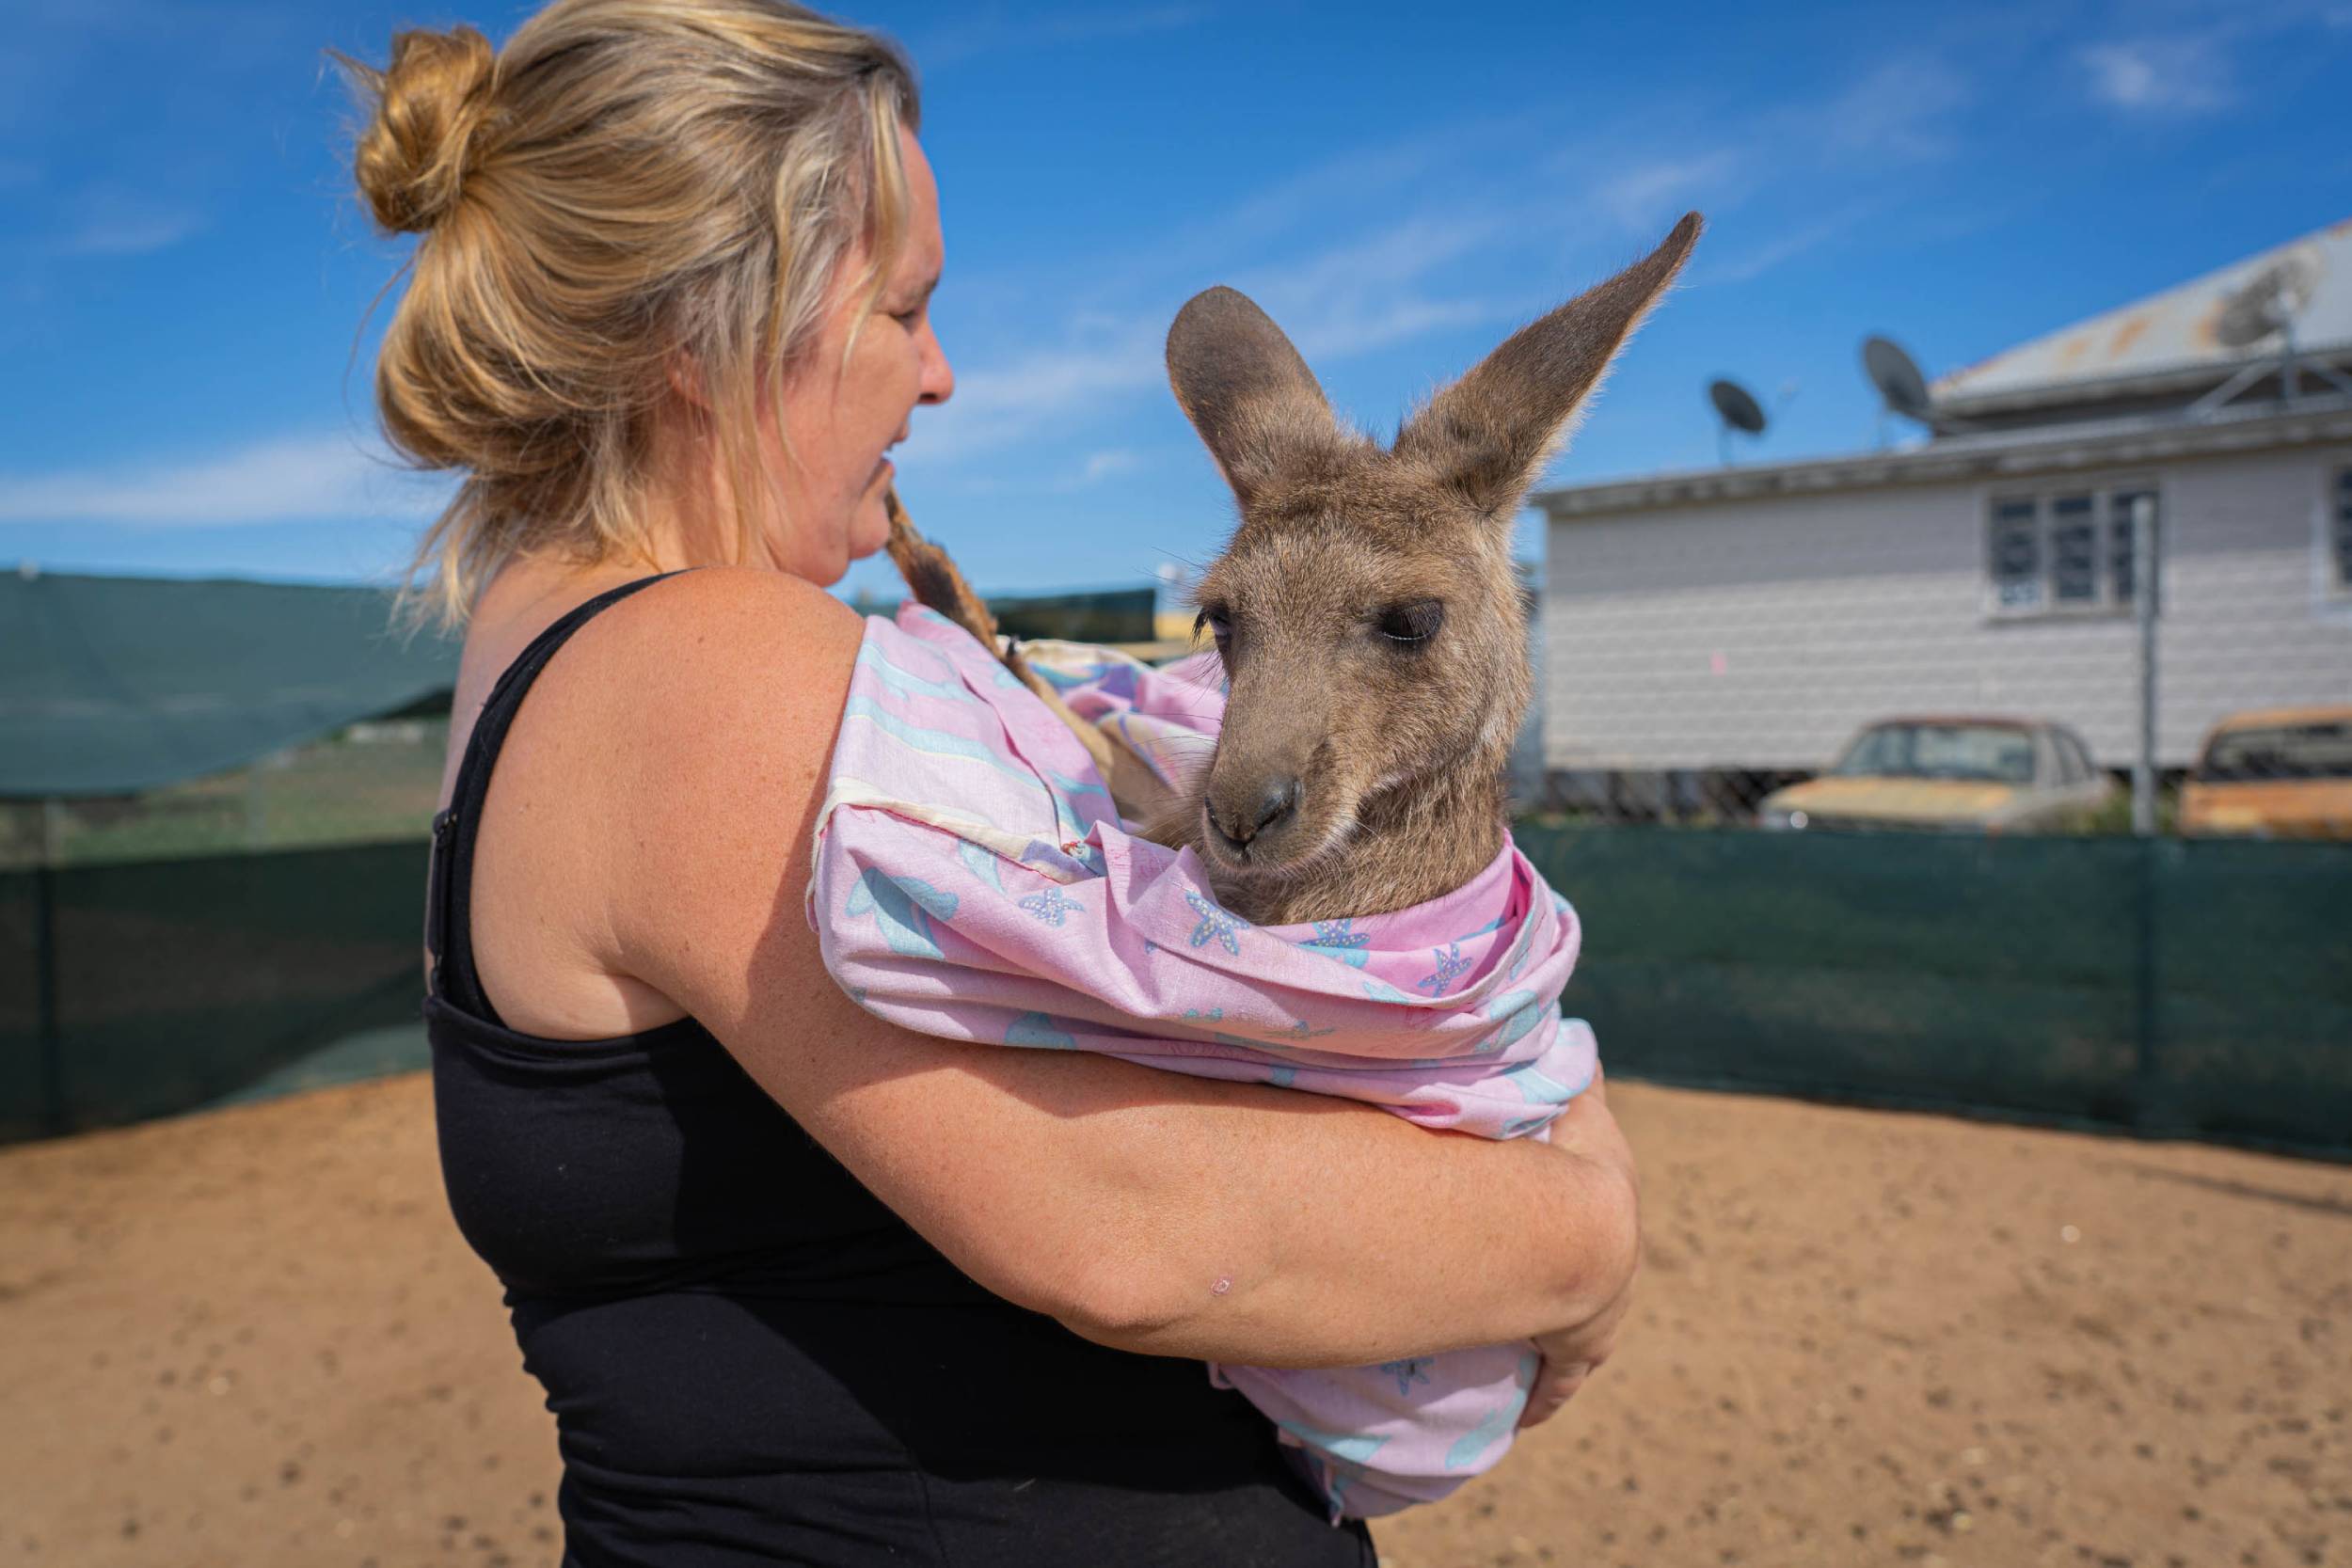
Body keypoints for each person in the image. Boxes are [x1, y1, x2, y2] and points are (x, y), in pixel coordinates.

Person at [344, 3, 1640, 1562]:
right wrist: (1582, 1230)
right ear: (715, 332)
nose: (943, 377)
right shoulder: (693, 664)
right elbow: (1135, 1233)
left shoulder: (547, 652)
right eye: (904, 311)